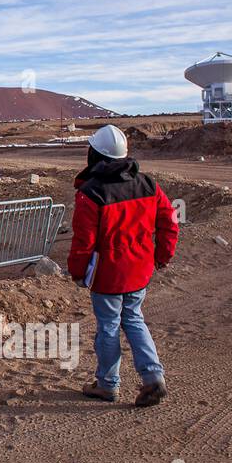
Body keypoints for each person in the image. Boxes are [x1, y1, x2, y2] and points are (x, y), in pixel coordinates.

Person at [67, 125, 179, 408]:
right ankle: (153, 377)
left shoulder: (92, 193)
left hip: (108, 274)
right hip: (140, 269)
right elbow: (169, 222)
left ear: (96, 154)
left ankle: (107, 384)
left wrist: (78, 271)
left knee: (108, 327)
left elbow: (84, 241)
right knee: (134, 319)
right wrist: (162, 255)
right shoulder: (148, 184)